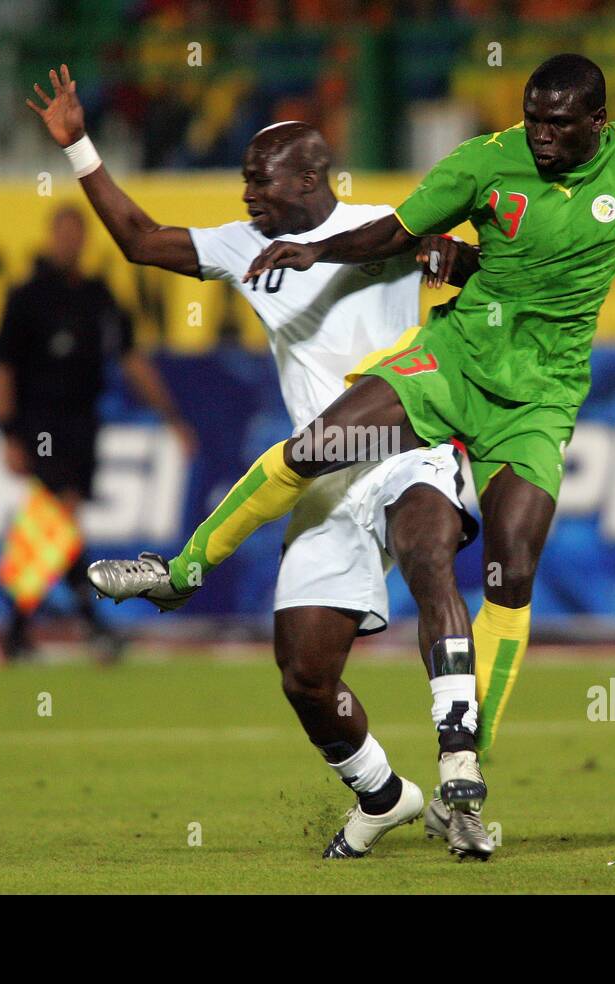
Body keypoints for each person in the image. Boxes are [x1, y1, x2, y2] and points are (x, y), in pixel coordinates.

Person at [94, 53, 615, 789]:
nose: (539, 136)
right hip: (453, 360)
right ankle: (186, 569)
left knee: (511, 576)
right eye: (531, 119)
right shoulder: (484, 162)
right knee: (313, 454)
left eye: (558, 125)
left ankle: (464, 766)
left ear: (598, 124)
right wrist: (343, 252)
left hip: (542, 395)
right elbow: (399, 231)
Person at [28, 65, 494, 859]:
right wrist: (79, 148)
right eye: (245, 179)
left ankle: (460, 768)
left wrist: (459, 274)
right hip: (323, 471)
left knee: (429, 560)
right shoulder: (245, 244)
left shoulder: (388, 226)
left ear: (310, 176)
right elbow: (142, 241)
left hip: (411, 440)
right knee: (304, 676)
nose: (247, 194)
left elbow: (478, 277)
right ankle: (383, 794)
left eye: (260, 179)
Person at [0, 204, 196, 663]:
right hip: (39, 423)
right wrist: (7, 433)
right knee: (60, 518)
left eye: (76, 234)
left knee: (52, 526)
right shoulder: (26, 297)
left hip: (82, 425)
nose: (69, 242)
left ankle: (17, 631)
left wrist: (171, 416)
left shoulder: (98, 296)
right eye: (62, 233)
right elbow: (1, 368)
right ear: (50, 237)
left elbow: (130, 358)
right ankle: (91, 624)